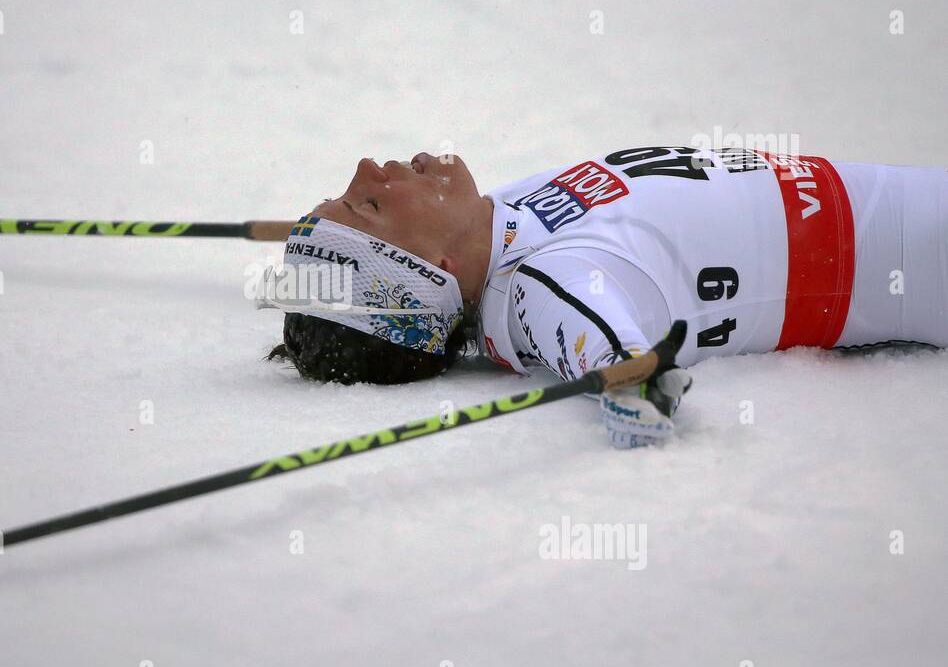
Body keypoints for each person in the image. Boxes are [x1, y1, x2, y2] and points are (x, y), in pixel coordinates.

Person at [264, 147, 948, 448]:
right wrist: (632, 388)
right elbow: (604, 348)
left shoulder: (493, 227)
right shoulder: (539, 285)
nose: (366, 167)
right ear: (433, 267)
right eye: (372, 203)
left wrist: (325, 295)